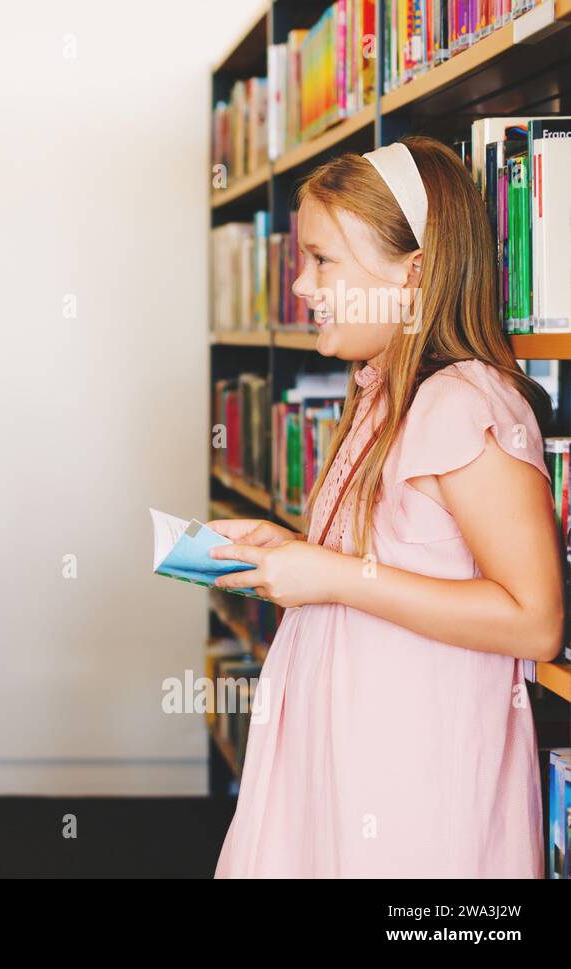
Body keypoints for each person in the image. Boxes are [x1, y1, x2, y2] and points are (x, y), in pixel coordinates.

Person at [209, 136, 563, 877]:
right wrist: (290, 550)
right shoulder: (381, 397)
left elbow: (533, 619)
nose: (302, 286)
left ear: (416, 272)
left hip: (416, 794)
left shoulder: (463, 405)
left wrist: (332, 578)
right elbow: (390, 560)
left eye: (323, 260)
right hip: (349, 772)